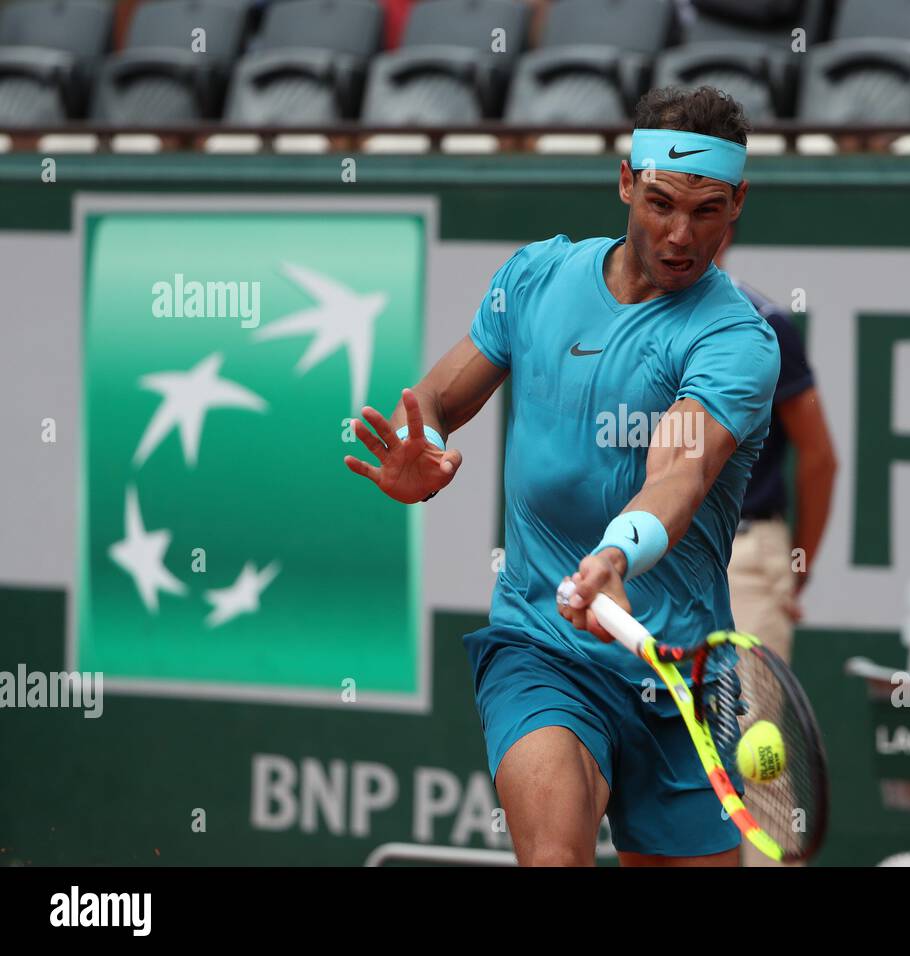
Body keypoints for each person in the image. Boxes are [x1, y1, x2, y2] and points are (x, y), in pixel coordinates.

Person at [346, 86, 779, 867]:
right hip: (541, 647)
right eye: (660, 202)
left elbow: (680, 467)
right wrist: (424, 442)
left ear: (739, 203)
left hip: (677, 674)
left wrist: (616, 556)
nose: (680, 235)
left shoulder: (737, 339)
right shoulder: (537, 278)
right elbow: (440, 397)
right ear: (625, 182)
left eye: (708, 211)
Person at [713, 221, 838, 867]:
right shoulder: (631, 324)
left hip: (745, 558)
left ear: (727, 229)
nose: (683, 235)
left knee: (751, 753)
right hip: (652, 565)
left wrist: (796, 572)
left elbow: (819, 458)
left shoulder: (764, 325)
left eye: (705, 215)